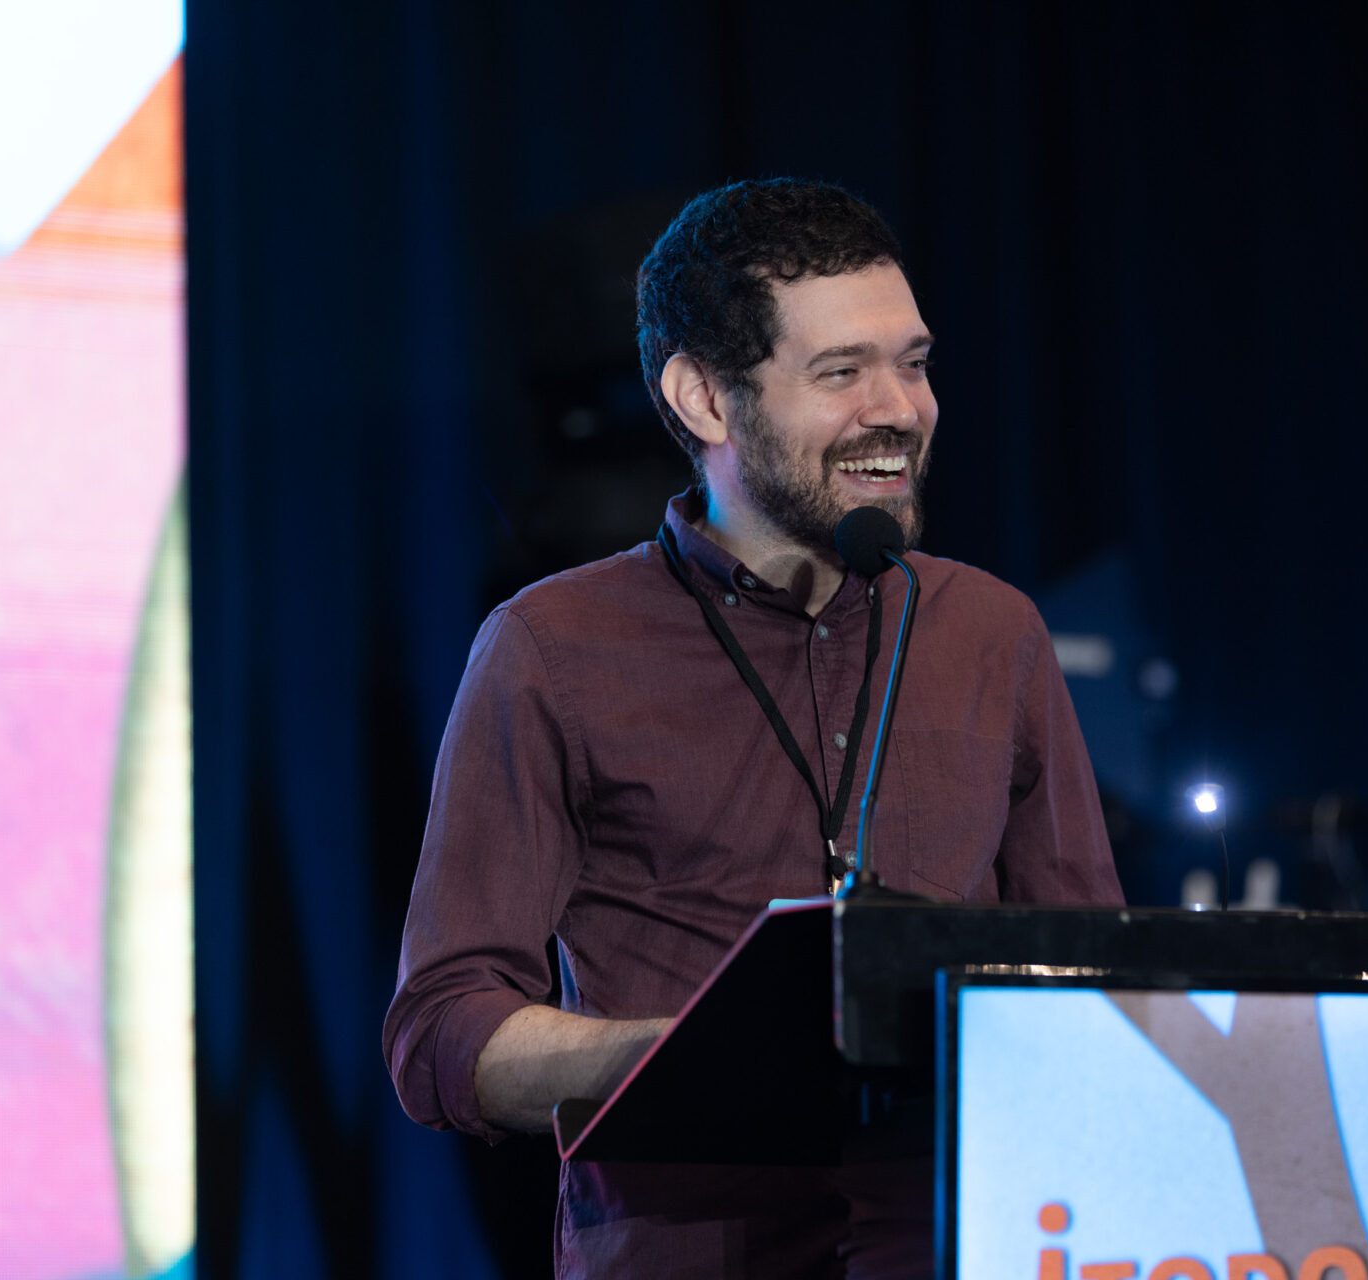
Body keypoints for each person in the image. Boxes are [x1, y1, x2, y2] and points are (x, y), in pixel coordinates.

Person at [383, 178, 1123, 1278]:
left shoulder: (991, 632)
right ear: (704, 398)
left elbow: (1095, 982)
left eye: (914, 363)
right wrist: (694, 1052)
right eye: (842, 371)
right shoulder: (550, 646)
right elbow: (442, 1034)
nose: (900, 407)